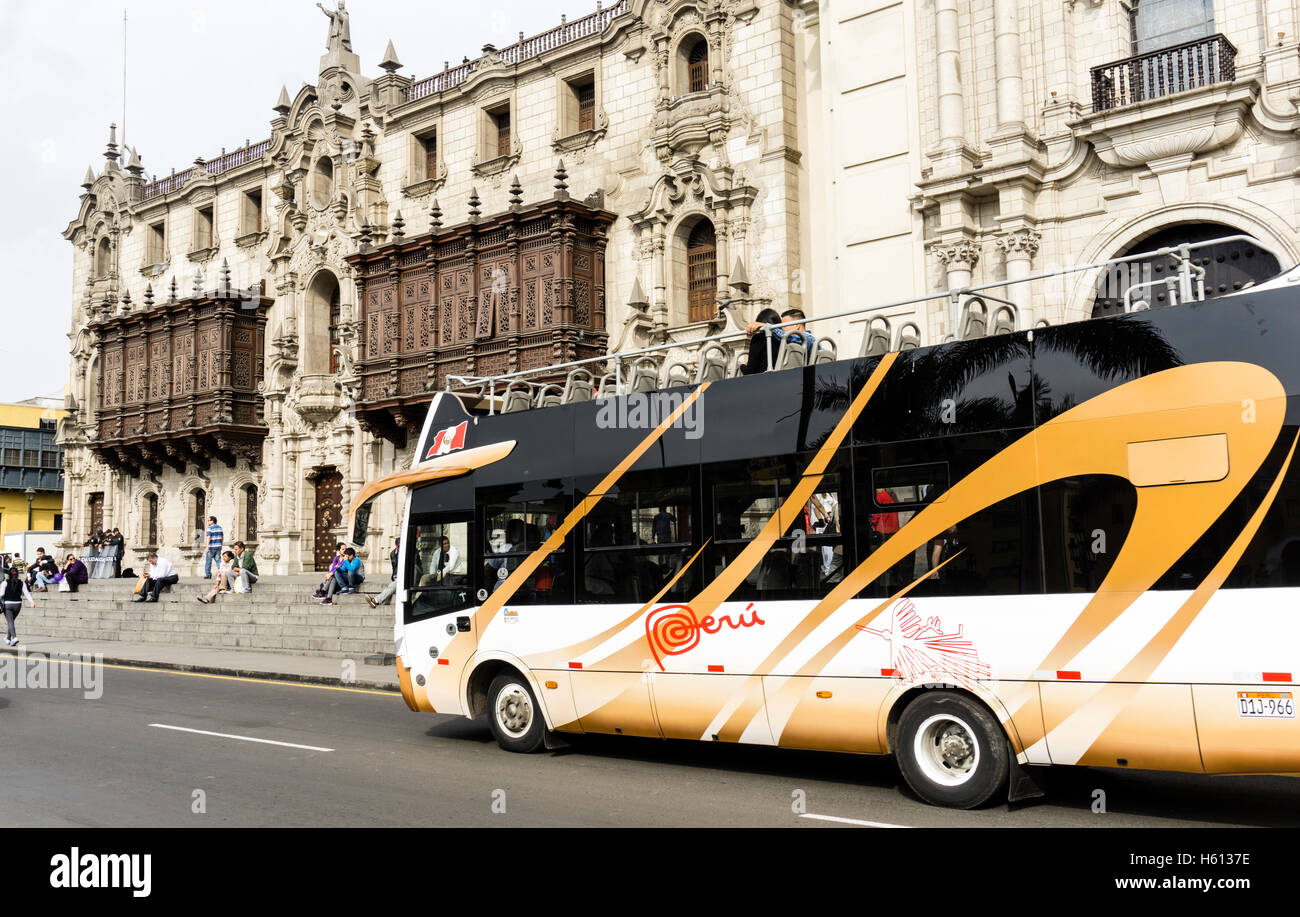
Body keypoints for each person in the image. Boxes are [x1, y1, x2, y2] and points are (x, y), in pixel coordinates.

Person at [739, 308, 783, 375]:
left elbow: (750, 371)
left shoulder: (759, 338)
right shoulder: (783, 339)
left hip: (763, 380)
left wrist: (741, 366)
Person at [2, 566, 35, 647]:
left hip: (7, 604)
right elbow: (26, 593)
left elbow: (1, 594)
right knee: (11, 621)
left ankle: (14, 637)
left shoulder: (5, 582)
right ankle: (8, 638)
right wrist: (32, 602)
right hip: (18, 604)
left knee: (10, 622)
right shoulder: (22, 583)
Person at [367, 537, 402, 608]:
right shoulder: (393, 553)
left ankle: (376, 600)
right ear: (396, 546)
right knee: (392, 585)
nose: (401, 548)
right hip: (397, 576)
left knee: (392, 586)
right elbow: (394, 566)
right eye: (399, 546)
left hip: (405, 577)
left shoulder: (409, 552)